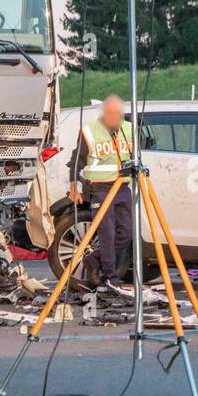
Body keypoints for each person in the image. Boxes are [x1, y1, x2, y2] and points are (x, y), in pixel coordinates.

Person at [67, 95, 134, 291]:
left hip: (122, 187)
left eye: (118, 114)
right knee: (107, 233)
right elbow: (75, 161)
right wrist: (73, 188)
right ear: (104, 114)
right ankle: (109, 276)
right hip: (101, 188)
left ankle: (93, 259)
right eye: (111, 114)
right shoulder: (90, 131)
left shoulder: (128, 129)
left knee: (126, 232)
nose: (114, 118)